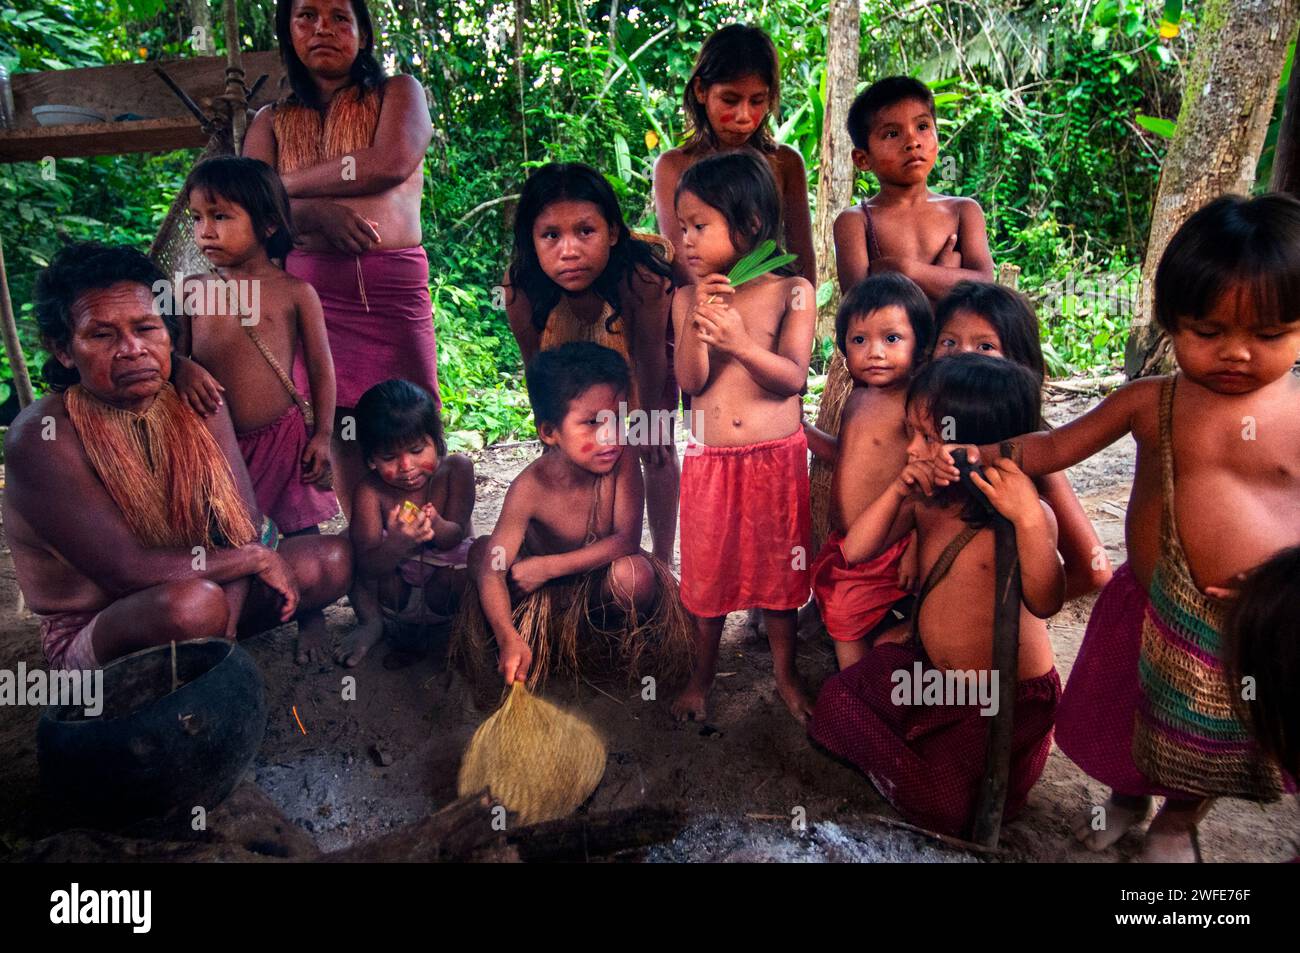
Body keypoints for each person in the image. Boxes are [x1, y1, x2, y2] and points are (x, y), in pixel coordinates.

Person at [963, 194, 1300, 861]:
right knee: (1127, 722)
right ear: (1170, 322)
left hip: (1253, 629)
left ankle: (1178, 821)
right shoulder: (1151, 402)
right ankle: (1125, 799)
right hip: (1144, 611)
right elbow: (1052, 448)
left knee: (1216, 743)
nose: (1235, 352)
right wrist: (983, 453)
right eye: (1207, 331)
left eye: (1267, 336)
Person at [4, 242, 350, 673]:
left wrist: (229, 615)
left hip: (206, 589)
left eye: (146, 328)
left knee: (332, 560)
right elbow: (124, 571)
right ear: (63, 350)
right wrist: (253, 561)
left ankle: (210, 642)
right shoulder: (43, 436)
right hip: (100, 626)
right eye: (102, 334)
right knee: (192, 607)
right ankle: (202, 636)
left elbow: (244, 528)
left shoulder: (198, 401)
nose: (131, 349)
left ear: (169, 334)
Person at [810, 354, 1063, 838]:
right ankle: (924, 760)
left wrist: (1029, 520)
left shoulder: (1026, 520)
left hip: (1003, 700)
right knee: (835, 702)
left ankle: (936, 770)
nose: (913, 451)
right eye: (912, 434)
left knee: (947, 810)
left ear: (986, 448)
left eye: (929, 438)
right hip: (934, 677)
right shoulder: (927, 501)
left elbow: (1048, 600)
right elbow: (856, 551)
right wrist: (900, 490)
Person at [244, 0, 437, 518]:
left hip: (391, 288)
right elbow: (243, 209)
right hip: (311, 296)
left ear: (363, 33)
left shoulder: (399, 94)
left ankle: (427, 554)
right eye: (307, 16)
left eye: (339, 17)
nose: (323, 28)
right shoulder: (271, 121)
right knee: (341, 424)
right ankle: (367, 548)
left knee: (416, 414)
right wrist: (313, 216)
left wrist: (280, 193)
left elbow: (388, 163)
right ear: (288, 32)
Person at [171, 157, 341, 663]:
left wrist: (323, 435)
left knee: (302, 531)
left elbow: (322, 368)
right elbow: (171, 353)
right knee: (224, 535)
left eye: (221, 216)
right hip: (217, 446)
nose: (205, 232)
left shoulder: (294, 292)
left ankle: (310, 617)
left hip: (283, 437)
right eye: (197, 218)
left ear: (268, 224)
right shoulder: (192, 291)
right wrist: (181, 367)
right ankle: (228, 619)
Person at [668, 151, 816, 724]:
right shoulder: (686, 297)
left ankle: (784, 675)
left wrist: (739, 342)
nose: (686, 240)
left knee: (779, 580)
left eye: (699, 226)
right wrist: (700, 323)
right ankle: (703, 677)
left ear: (750, 224)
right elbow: (690, 382)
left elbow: (792, 380)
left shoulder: (791, 291)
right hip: (711, 464)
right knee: (707, 577)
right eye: (682, 228)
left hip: (776, 460)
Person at [453, 343, 691, 699]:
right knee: (483, 553)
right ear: (549, 432)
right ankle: (538, 644)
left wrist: (546, 567)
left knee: (635, 574)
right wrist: (507, 636)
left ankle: (604, 641)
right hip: (543, 598)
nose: (610, 436)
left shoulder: (621, 461)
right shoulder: (529, 488)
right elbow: (494, 569)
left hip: (595, 590)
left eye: (618, 419)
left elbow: (625, 540)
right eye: (592, 423)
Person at [504, 163, 678, 563]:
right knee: (570, 450)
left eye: (586, 232)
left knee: (656, 447)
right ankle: (581, 551)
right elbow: (537, 367)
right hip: (568, 361)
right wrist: (549, 426)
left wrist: (646, 421)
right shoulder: (519, 288)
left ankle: (664, 559)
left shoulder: (643, 277)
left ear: (613, 233)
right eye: (551, 235)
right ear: (532, 241)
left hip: (640, 362)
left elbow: (650, 356)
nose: (569, 250)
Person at [932, 281, 1111, 600]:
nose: (962, 357)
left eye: (985, 346)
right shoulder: (922, 424)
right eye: (949, 342)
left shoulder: (1024, 452)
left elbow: (1093, 569)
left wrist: (1005, 609)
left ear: (1020, 365)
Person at [804, 275, 933, 670]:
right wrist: (807, 433)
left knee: (845, 617)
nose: (874, 352)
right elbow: (846, 456)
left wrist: (915, 547)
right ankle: (868, 681)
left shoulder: (915, 403)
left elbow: (927, 479)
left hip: (891, 546)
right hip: (852, 542)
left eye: (891, 339)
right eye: (859, 340)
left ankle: (858, 693)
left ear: (921, 346)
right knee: (844, 616)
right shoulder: (858, 397)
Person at [654, 23, 816, 288]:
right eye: (730, 100)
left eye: (757, 101)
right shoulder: (673, 166)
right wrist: (711, 306)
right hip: (701, 309)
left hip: (770, 310)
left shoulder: (786, 163)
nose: (743, 116)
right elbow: (680, 259)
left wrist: (797, 314)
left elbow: (802, 261)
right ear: (700, 91)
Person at [346, 379, 474, 667]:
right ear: (370, 459)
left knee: (484, 558)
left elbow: (454, 536)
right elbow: (367, 565)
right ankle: (371, 624)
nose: (406, 467)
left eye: (417, 450)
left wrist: (437, 524)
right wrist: (395, 544)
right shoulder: (369, 491)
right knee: (346, 546)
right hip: (395, 599)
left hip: (445, 593)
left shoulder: (457, 470)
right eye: (389, 457)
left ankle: (462, 632)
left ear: (437, 442)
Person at [833, 76, 993, 302]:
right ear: (862, 159)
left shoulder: (963, 211)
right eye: (892, 134)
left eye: (922, 126)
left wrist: (903, 270)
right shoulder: (856, 222)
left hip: (955, 338)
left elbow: (985, 285)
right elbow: (863, 309)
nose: (912, 142)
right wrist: (947, 275)